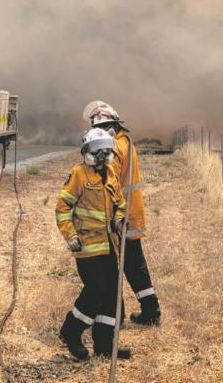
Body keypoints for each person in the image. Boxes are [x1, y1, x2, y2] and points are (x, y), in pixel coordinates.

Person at [55, 127, 132, 360]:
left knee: (111, 295)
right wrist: (70, 236)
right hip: (87, 247)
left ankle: (104, 346)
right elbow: (62, 208)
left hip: (110, 246)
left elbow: (120, 204)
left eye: (104, 150)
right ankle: (71, 331)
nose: (100, 155)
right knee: (96, 291)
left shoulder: (110, 174)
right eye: (96, 150)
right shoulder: (78, 174)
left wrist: (119, 221)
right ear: (86, 150)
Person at [83, 100, 161, 326]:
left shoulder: (116, 148)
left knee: (112, 268)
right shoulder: (126, 140)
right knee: (134, 264)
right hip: (130, 213)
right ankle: (150, 311)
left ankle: (117, 315)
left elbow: (108, 177)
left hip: (119, 217)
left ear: (107, 128)